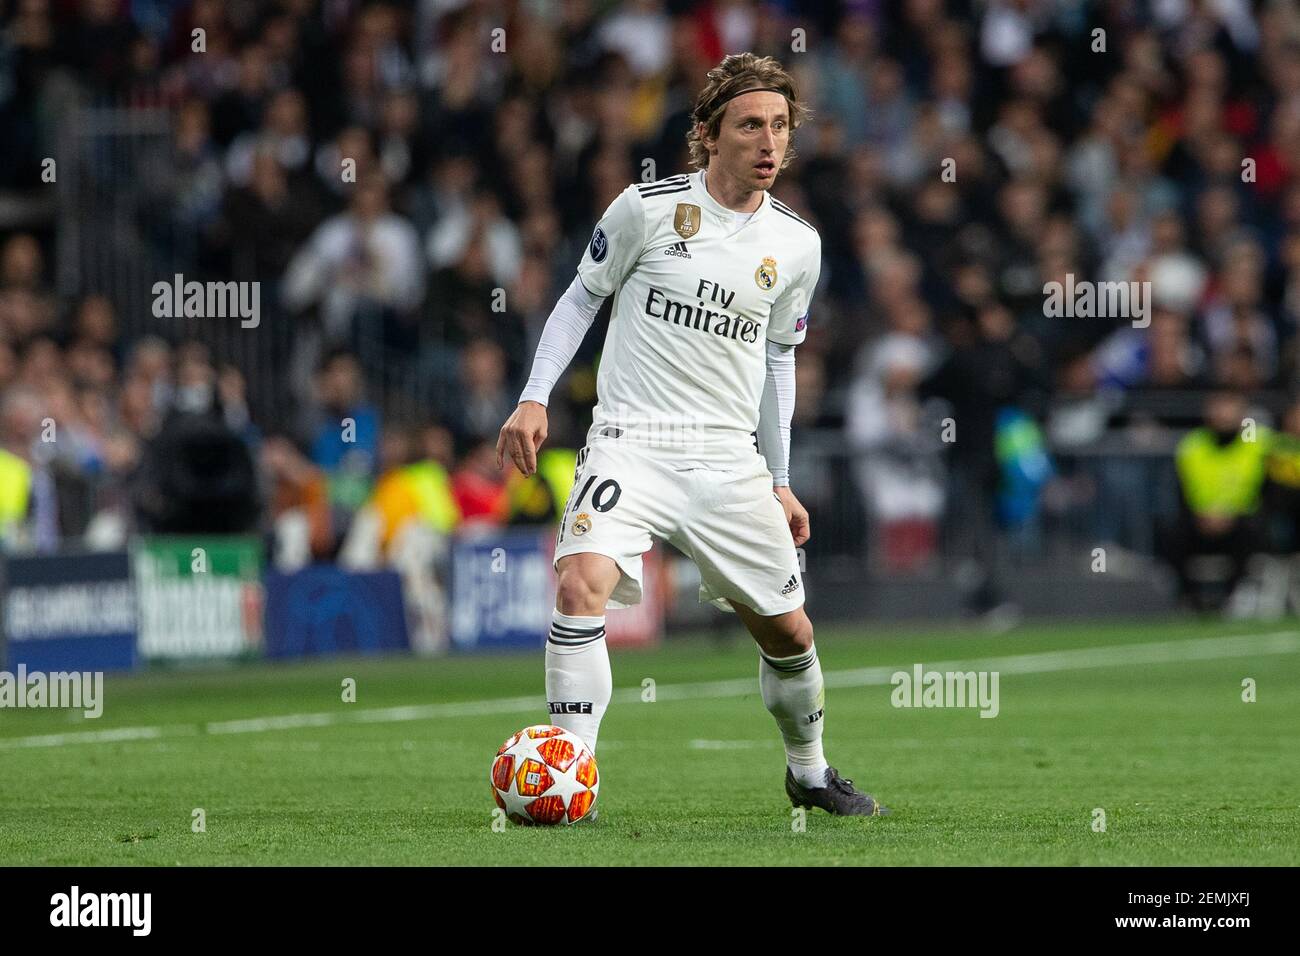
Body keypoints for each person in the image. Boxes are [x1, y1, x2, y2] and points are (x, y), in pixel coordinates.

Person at [496, 53, 887, 817]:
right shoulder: (647, 209)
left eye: (779, 126)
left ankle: (807, 772)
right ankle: (570, 774)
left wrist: (777, 477)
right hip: (630, 439)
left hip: (726, 455)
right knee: (579, 584)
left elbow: (780, 358)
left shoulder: (796, 246)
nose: (768, 142)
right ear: (709, 135)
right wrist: (535, 397)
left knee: (788, 630)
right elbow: (581, 300)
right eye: (750, 125)